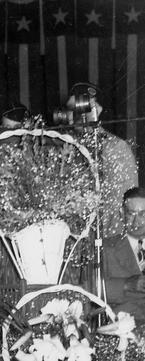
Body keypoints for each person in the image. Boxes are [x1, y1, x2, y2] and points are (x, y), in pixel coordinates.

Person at [66, 83, 137, 237]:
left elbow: (121, 207)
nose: (73, 115)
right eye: (70, 109)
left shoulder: (114, 147)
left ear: (97, 110)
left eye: (79, 108)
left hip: (105, 240)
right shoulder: (64, 146)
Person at [103, 187, 145, 324]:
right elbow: (89, 290)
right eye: (131, 214)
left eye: (142, 214)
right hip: (122, 327)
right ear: (122, 214)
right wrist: (126, 285)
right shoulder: (104, 248)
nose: (136, 221)